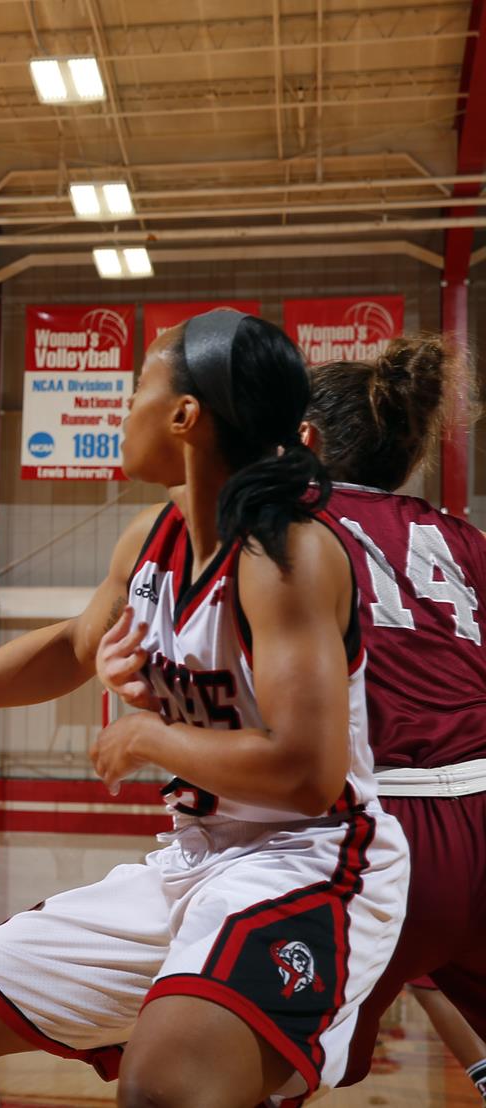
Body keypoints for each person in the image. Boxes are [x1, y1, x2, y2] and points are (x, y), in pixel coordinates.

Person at [0, 308, 409, 1107]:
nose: (125, 406)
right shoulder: (149, 539)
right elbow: (73, 646)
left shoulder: (283, 554)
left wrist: (151, 734)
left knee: (162, 1085)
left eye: (140, 385)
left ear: (186, 416)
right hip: (195, 857)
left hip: (311, 862)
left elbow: (305, 774)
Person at [294, 335, 486, 1093]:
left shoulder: (293, 529)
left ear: (303, 440)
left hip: (380, 825)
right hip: (481, 806)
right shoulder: (463, 538)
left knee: (255, 1058)